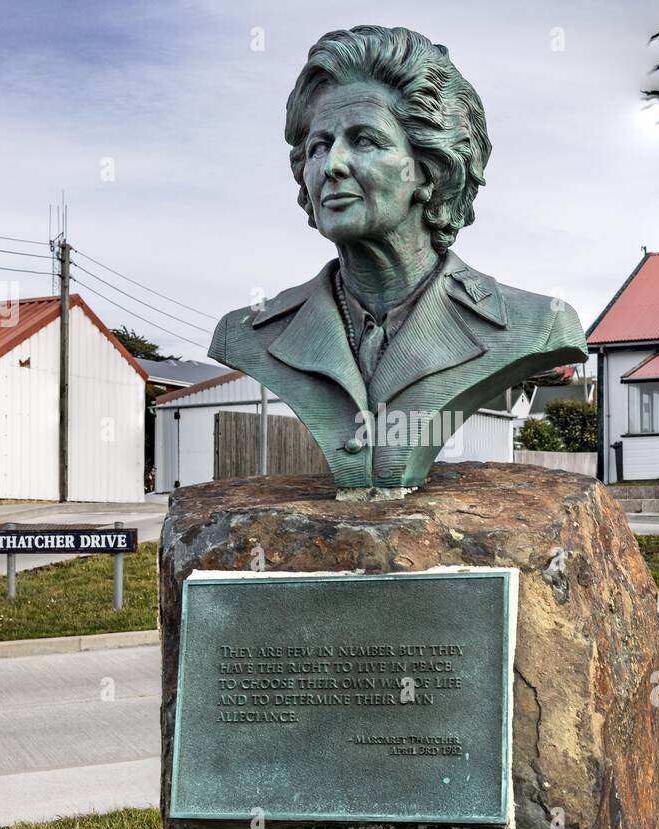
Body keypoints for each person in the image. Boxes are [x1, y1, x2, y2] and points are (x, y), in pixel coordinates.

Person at [209, 25, 588, 493]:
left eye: (364, 140)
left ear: (432, 169)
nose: (331, 166)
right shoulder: (248, 333)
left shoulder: (537, 325)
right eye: (319, 146)